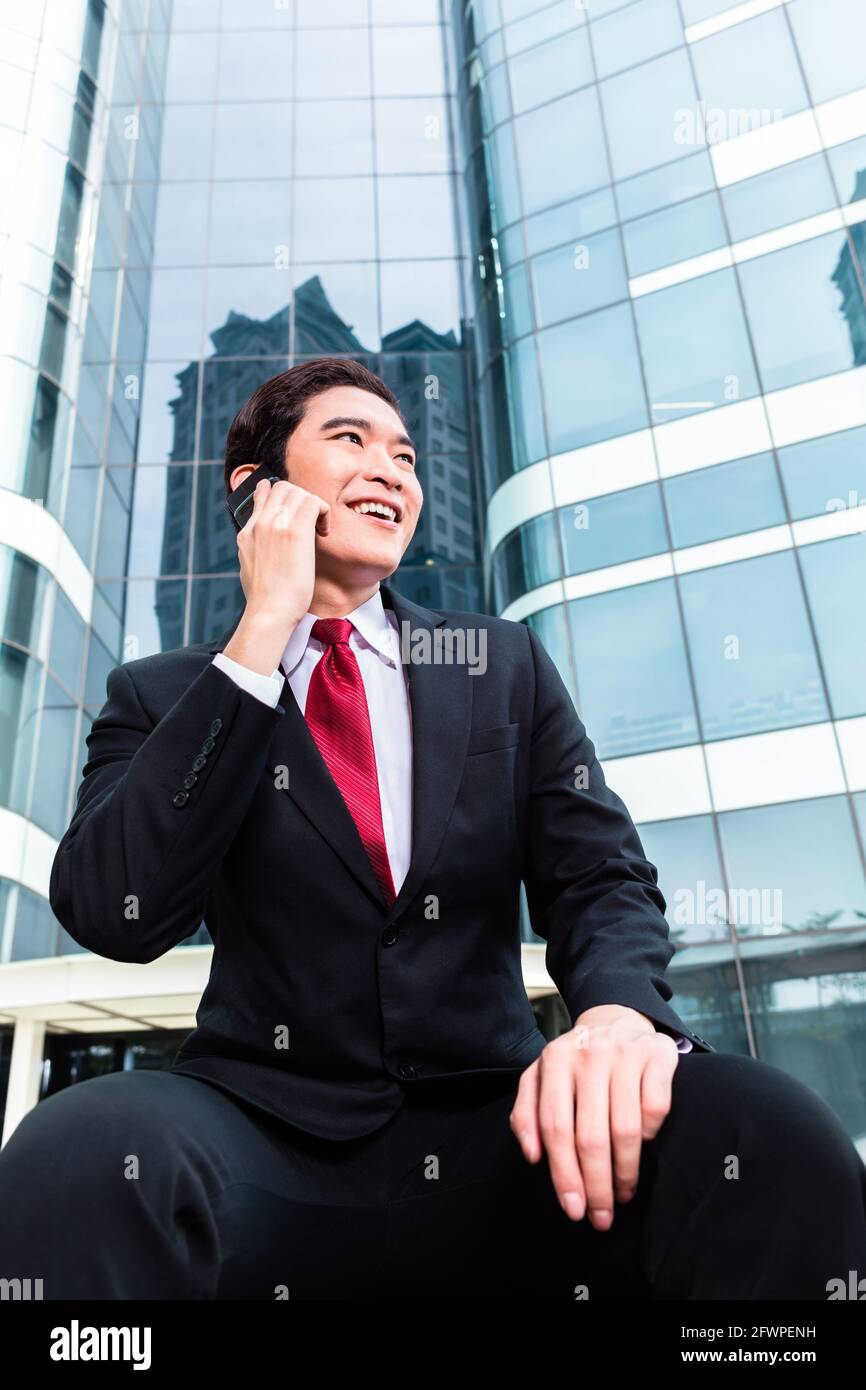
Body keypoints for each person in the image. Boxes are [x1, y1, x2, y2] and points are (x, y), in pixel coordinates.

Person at [0, 358, 863, 1301]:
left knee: (764, 1128)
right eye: (349, 440)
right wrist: (260, 640)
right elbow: (114, 911)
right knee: (79, 1153)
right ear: (257, 491)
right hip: (263, 1139)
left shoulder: (499, 665)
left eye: (404, 453)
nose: (392, 469)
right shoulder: (163, 695)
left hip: (507, 1129)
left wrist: (617, 1016)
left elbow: (600, 875)